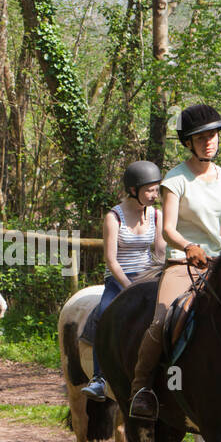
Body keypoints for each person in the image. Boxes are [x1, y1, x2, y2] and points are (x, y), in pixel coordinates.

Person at [128, 104, 221, 420]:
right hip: (183, 262)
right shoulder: (176, 179)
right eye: (201, 137)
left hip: (219, 261)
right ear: (189, 142)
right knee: (162, 321)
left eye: (213, 135)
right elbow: (168, 229)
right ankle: (141, 389)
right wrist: (189, 246)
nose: (209, 142)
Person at [80, 161, 165, 400]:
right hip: (120, 279)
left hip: (148, 275)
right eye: (149, 190)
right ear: (133, 190)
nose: (154, 195)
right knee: (103, 313)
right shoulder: (113, 217)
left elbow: (159, 251)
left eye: (156, 189)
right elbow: (111, 260)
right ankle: (98, 378)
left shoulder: (157, 215)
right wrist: (130, 288)